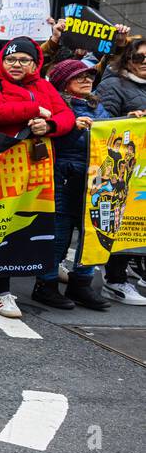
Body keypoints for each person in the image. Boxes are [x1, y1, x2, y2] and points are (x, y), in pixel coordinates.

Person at [0, 37, 76, 319]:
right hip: (0, 167)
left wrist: (50, 124)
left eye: (24, 60)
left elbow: (66, 115)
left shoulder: (43, 86)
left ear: (34, 63)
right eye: (11, 59)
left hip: (36, 170)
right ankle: (2, 291)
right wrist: (34, 110)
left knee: (27, 226)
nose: (16, 65)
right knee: (1, 224)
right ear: (2, 61)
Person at [31, 59, 114, 311]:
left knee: (94, 231)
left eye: (89, 76)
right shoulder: (54, 106)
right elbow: (51, 141)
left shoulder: (97, 105)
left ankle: (81, 284)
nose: (87, 80)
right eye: (79, 76)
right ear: (63, 82)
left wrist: (129, 121)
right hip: (64, 177)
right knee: (59, 235)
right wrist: (74, 130)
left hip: (96, 179)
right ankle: (46, 286)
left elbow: (112, 134)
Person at [91, 39, 146, 304]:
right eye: (139, 57)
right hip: (125, 169)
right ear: (127, 60)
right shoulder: (113, 84)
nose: (145, 62)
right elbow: (102, 123)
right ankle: (116, 280)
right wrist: (129, 120)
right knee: (123, 224)